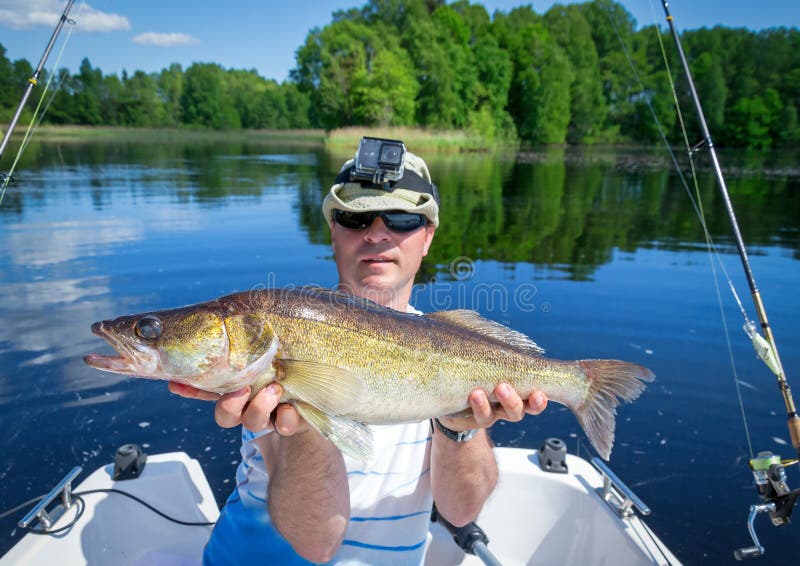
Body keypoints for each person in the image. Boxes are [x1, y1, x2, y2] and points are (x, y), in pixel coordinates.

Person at [170, 142, 548, 565]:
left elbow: (460, 512)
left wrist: (459, 428)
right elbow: (316, 545)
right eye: (356, 217)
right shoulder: (279, 338)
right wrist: (300, 423)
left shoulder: (454, 349)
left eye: (403, 219)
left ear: (428, 237)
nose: (377, 233)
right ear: (333, 231)